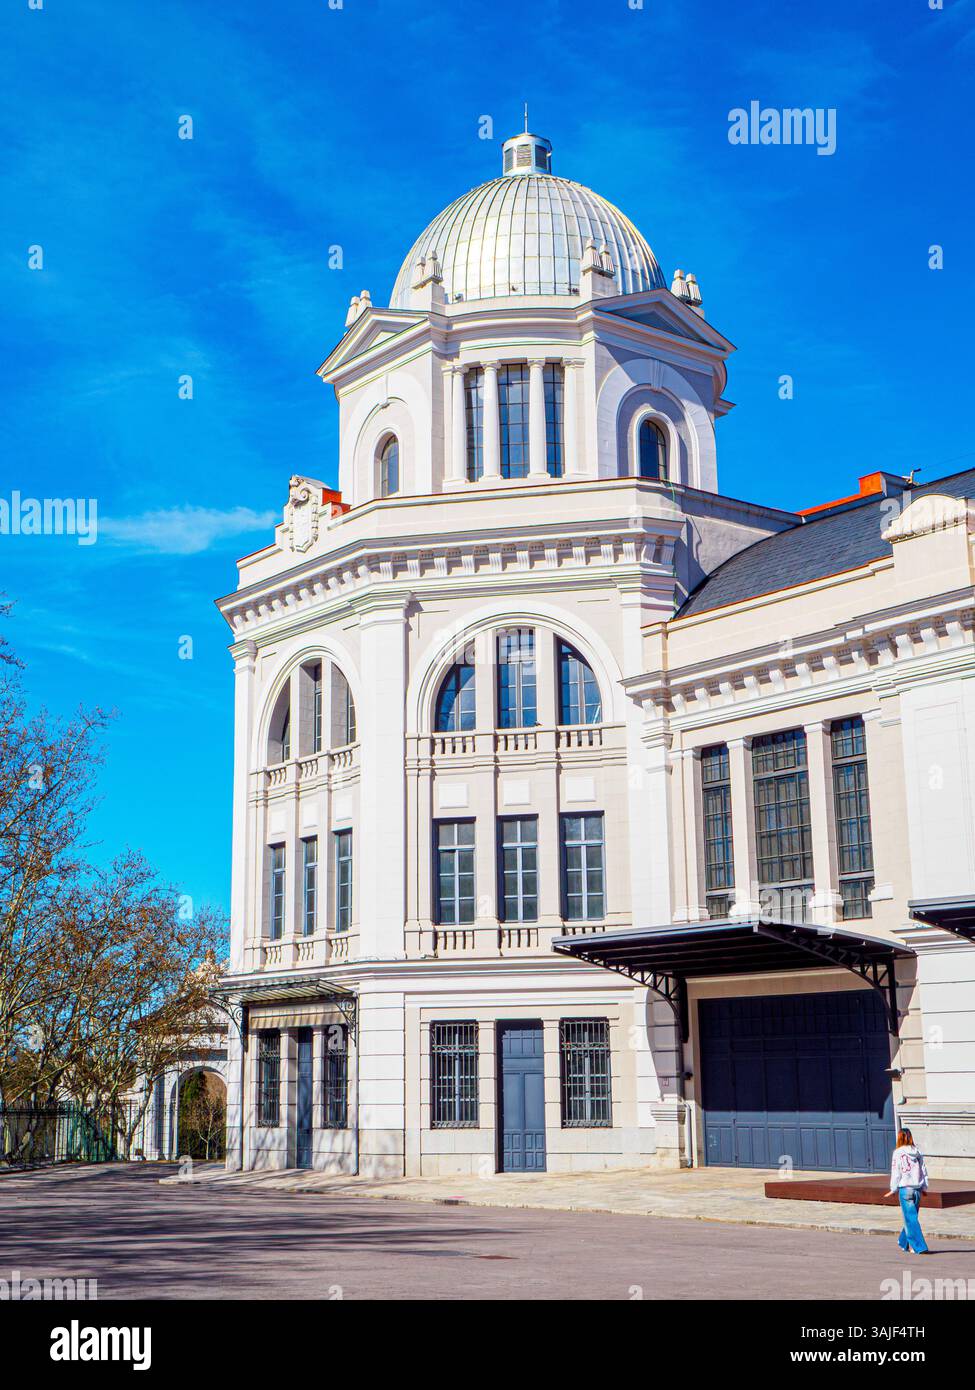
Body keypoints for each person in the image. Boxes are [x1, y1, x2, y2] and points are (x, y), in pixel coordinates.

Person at [885, 1128, 931, 1254]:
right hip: (916, 1189)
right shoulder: (918, 1152)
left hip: (905, 1189)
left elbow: (896, 1172)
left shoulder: (898, 1153)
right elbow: (924, 1171)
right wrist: (924, 1187)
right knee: (911, 1218)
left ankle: (919, 1247)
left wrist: (893, 1189)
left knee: (910, 1218)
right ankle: (903, 1241)